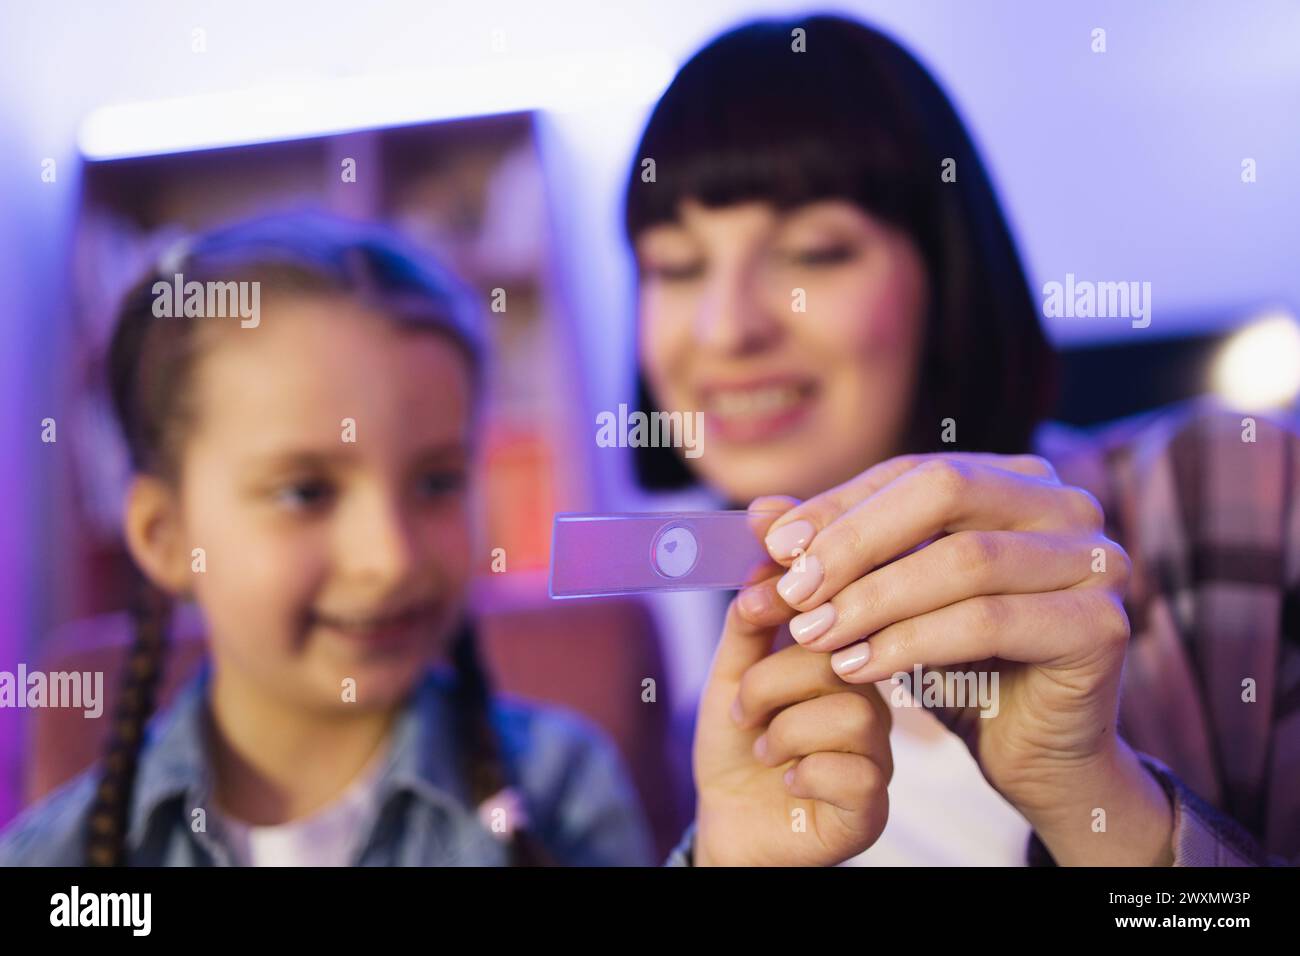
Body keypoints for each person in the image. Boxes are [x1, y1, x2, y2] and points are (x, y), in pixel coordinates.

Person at [0, 211, 892, 868]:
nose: (388, 556)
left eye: (435, 482)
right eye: (305, 491)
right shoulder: (56, 856)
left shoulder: (560, 788)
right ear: (163, 535)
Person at [631, 15, 1297, 866]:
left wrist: (1099, 801)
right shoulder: (713, 726)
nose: (725, 329)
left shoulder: (1232, 491)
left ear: (946, 278)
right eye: (676, 267)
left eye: (813, 251)